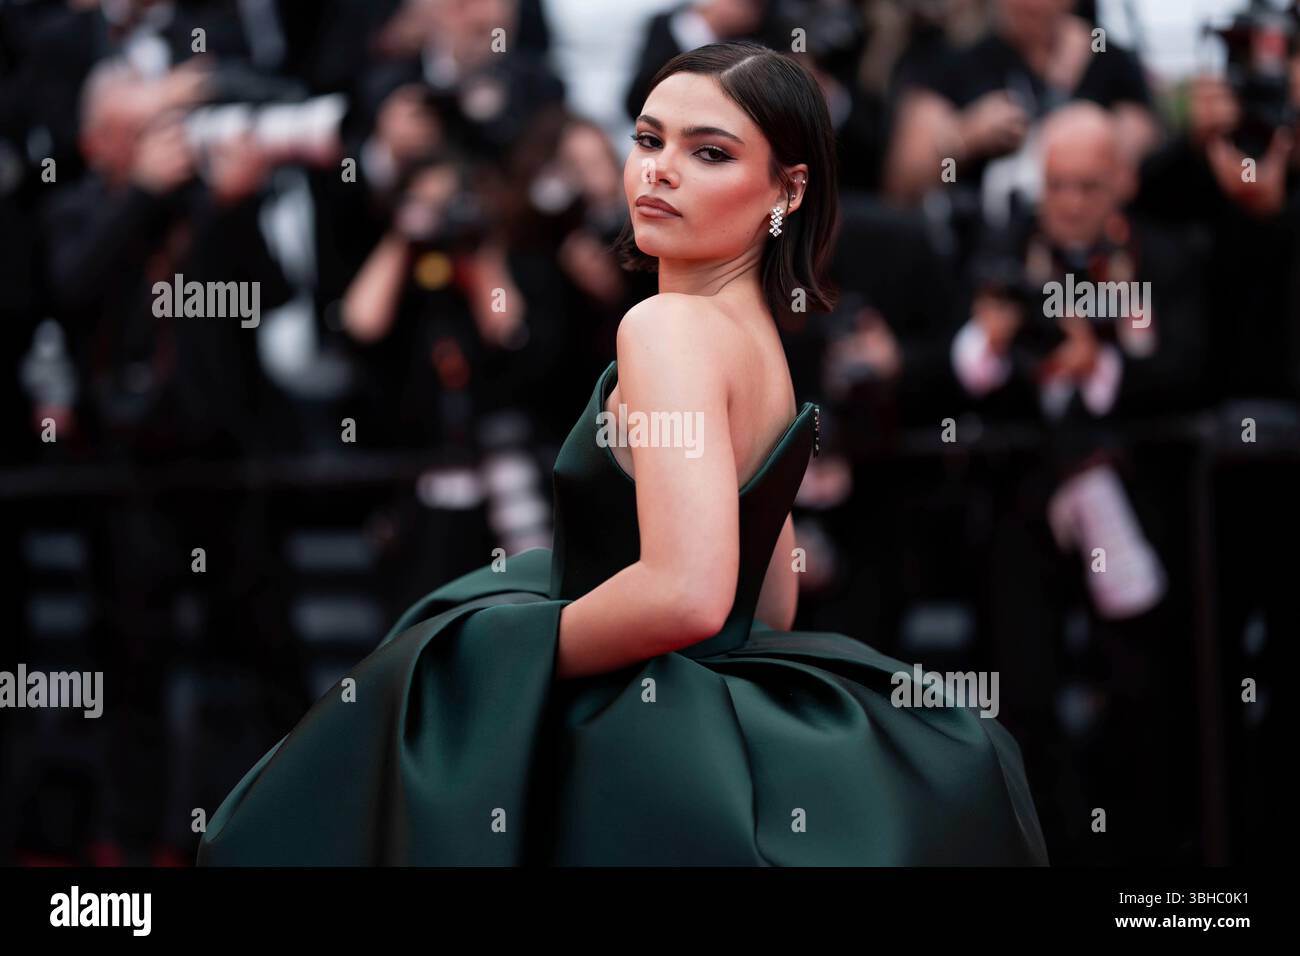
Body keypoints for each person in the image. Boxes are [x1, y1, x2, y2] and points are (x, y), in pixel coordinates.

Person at [197, 40, 1048, 866]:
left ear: (787, 190)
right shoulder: (762, 342)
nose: (660, 169)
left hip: (631, 737)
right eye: (647, 139)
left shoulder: (665, 326)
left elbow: (687, 594)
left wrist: (505, 663)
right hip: (685, 729)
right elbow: (772, 602)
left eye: (708, 151)